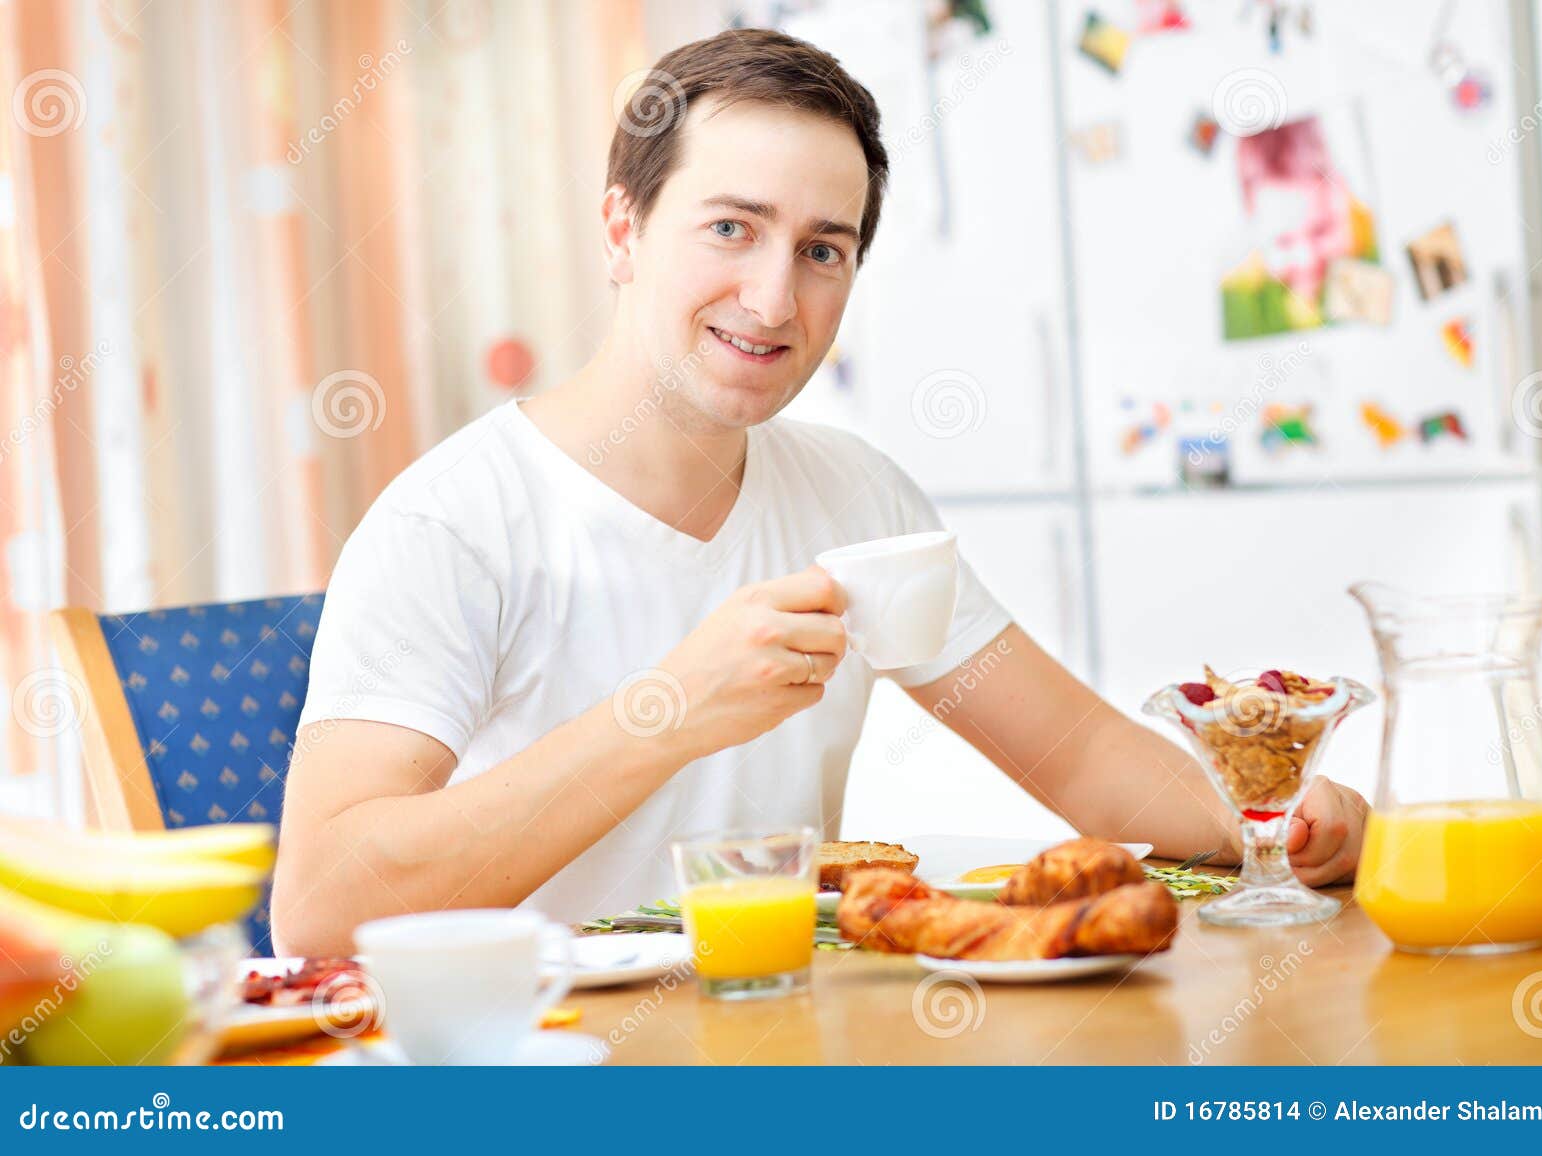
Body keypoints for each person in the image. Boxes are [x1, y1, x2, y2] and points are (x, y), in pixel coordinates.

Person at [272, 28, 1368, 955]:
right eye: (729, 228)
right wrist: (666, 716)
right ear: (622, 228)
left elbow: (1075, 752)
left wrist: (1271, 823)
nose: (771, 296)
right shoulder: (452, 525)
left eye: (822, 250)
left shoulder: (858, 502)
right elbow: (320, 912)